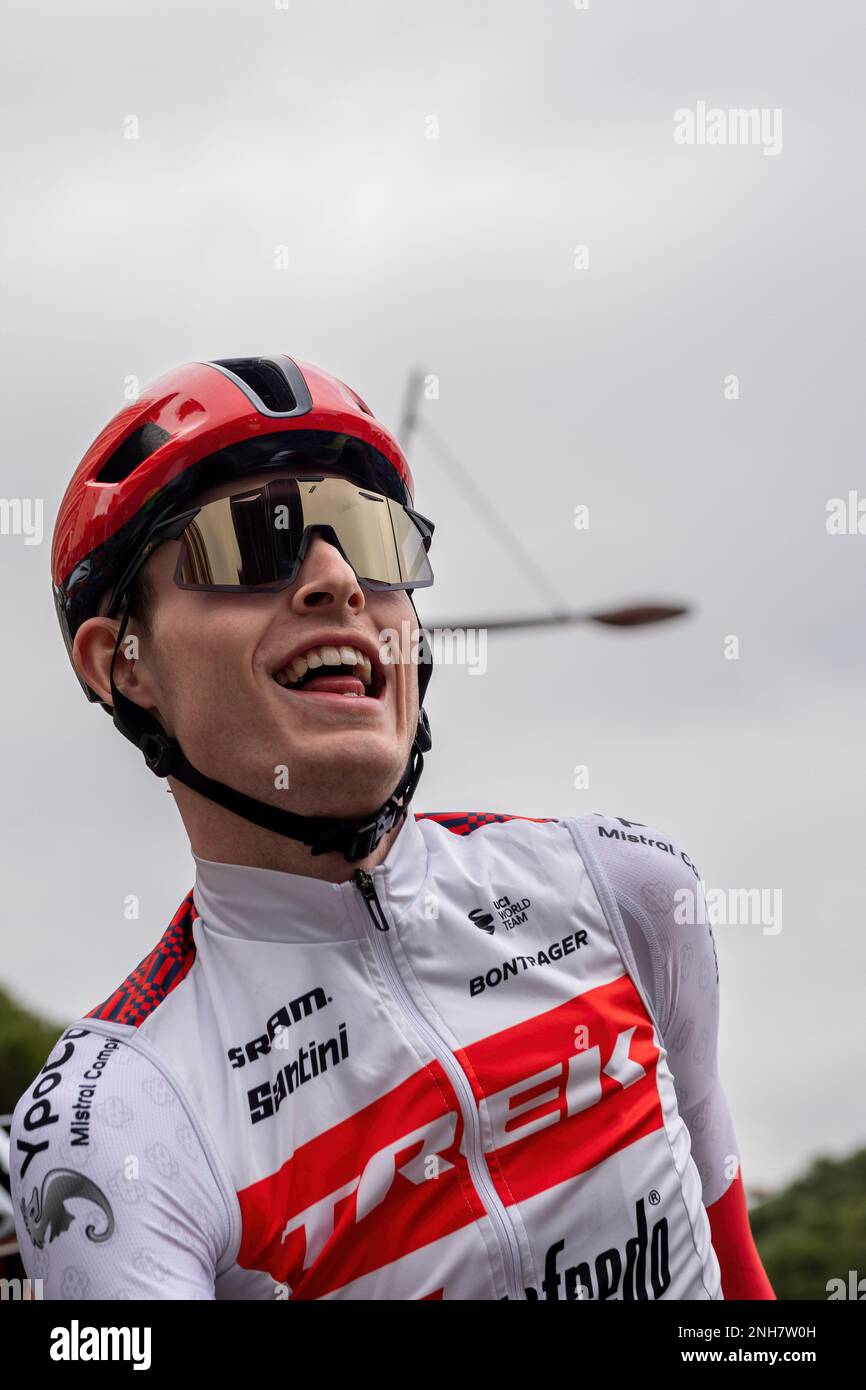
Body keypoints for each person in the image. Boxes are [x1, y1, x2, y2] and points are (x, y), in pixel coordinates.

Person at [10, 354, 774, 1300]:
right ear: (121, 662)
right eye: (253, 539)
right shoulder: (118, 1117)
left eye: (374, 540)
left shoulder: (629, 892)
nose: (337, 581)